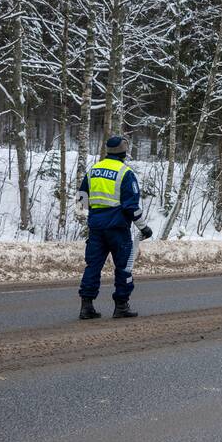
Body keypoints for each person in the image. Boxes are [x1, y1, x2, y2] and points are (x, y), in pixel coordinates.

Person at [77, 136, 151, 319]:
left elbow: (81, 199)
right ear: (124, 153)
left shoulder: (93, 170)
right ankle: (121, 306)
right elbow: (131, 208)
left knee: (93, 266)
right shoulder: (125, 173)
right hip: (118, 229)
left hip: (96, 227)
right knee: (124, 267)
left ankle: (86, 307)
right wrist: (144, 228)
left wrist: (95, 212)